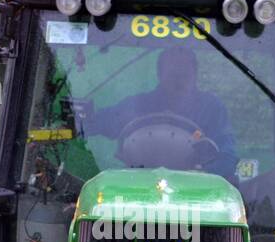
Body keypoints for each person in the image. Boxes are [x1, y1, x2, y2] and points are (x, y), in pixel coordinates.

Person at [81, 47, 237, 178]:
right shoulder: (140, 105)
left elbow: (227, 153)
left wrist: (206, 173)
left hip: (195, 191)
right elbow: (104, 121)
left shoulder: (211, 109)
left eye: (184, 75)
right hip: (138, 183)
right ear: (160, 75)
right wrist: (79, 124)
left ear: (195, 76)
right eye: (173, 75)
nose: (179, 81)